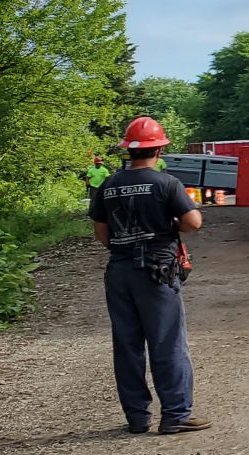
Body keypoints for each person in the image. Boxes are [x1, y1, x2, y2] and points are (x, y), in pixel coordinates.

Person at [88, 117, 211, 435]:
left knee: (127, 344)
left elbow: (102, 234)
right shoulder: (166, 183)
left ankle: (137, 418)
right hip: (156, 271)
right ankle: (175, 414)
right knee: (167, 342)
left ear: (128, 151)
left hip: (119, 272)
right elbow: (193, 222)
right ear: (159, 149)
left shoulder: (108, 186)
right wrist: (170, 228)